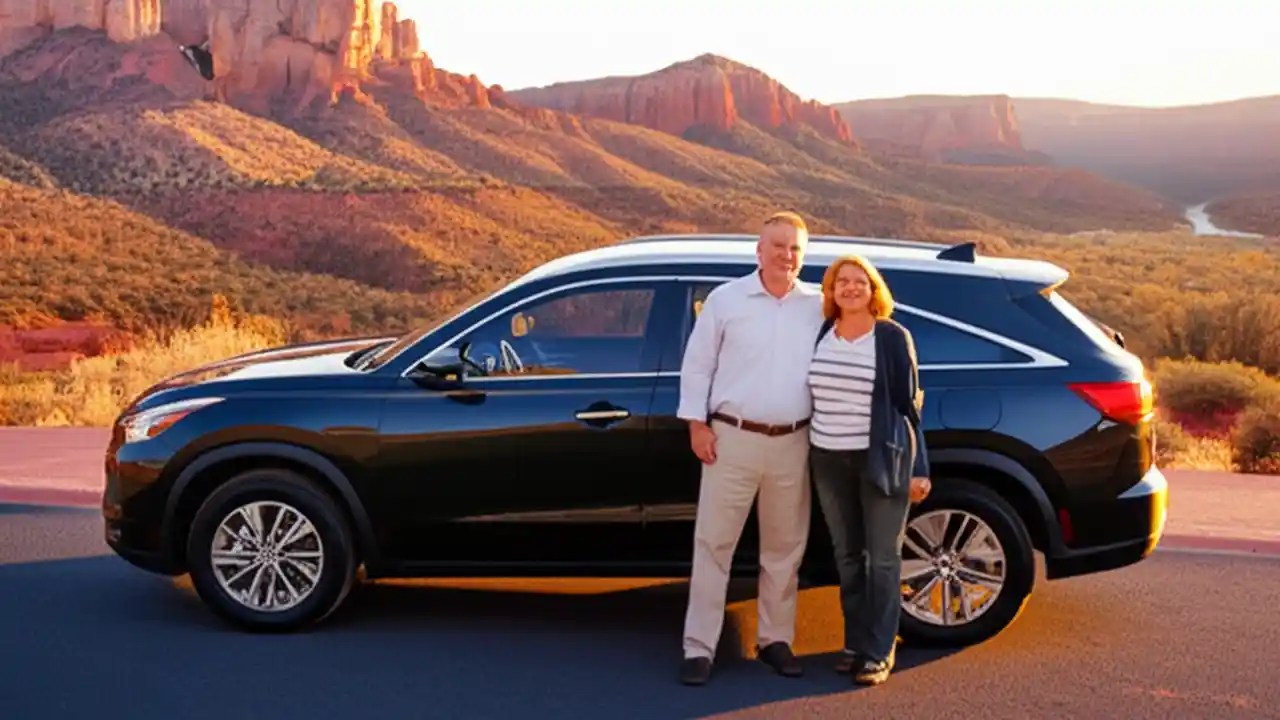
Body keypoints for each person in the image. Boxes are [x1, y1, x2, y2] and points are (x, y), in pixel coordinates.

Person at [675, 210, 825, 686]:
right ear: (758, 251)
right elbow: (697, 365)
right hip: (731, 438)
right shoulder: (727, 299)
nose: (786, 255)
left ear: (804, 254)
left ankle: (775, 641)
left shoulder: (818, 305)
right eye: (778, 245)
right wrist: (697, 425)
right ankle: (699, 648)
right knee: (714, 544)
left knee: (785, 548)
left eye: (795, 248)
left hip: (794, 440)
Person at [807, 253, 931, 686]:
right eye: (842, 281)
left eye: (861, 281)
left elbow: (909, 407)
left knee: (881, 558)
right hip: (827, 458)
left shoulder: (892, 338)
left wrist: (919, 468)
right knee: (847, 557)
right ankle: (856, 642)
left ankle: (880, 650)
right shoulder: (823, 332)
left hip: (881, 459)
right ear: (831, 290)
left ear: (874, 290)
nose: (851, 287)